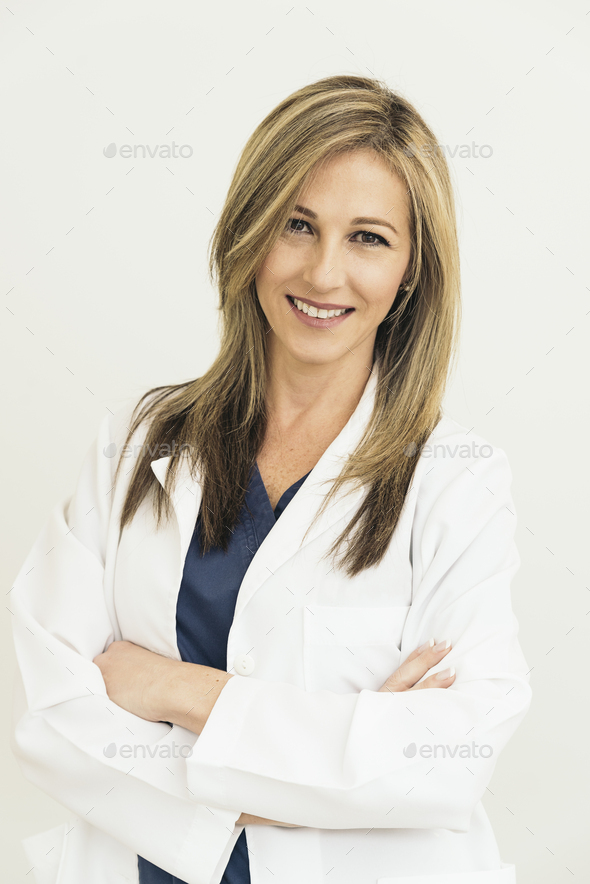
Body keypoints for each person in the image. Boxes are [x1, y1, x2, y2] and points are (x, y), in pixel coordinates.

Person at [10, 74, 531, 884]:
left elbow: (447, 758)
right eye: (297, 224)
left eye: (368, 238)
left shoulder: (456, 481)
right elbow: (52, 717)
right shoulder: (138, 440)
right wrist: (338, 760)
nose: (324, 273)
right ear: (250, 231)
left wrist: (175, 690)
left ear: (411, 272)